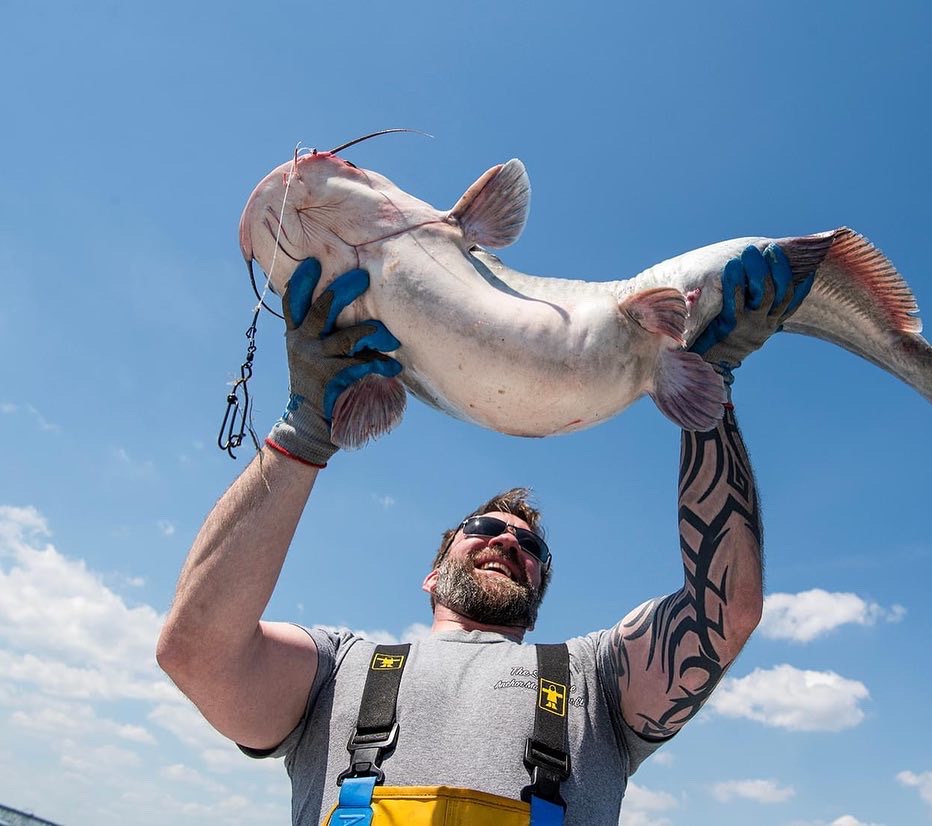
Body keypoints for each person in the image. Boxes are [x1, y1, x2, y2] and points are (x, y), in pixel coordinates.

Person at [157, 246, 812, 826]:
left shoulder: (595, 681)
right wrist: (305, 432)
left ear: (541, 586)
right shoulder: (336, 670)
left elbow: (723, 614)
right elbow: (196, 651)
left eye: (530, 547)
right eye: (483, 528)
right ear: (431, 570)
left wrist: (707, 398)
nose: (507, 542)